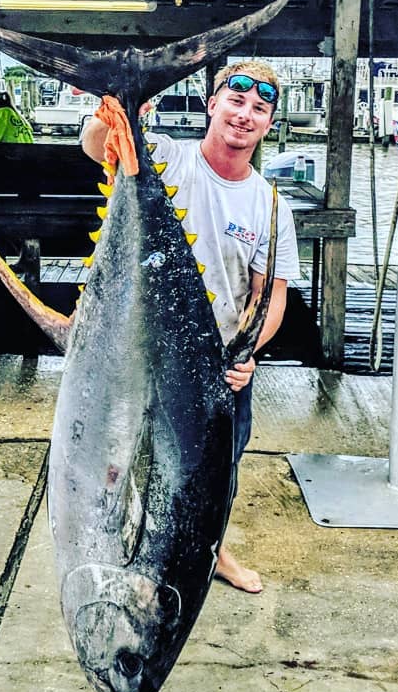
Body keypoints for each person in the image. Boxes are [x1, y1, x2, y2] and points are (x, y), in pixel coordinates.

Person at [81, 60, 300, 594]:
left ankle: (211, 551)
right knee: (127, 454)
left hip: (217, 365)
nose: (245, 116)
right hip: (141, 348)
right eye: (236, 101)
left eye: (259, 109)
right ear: (212, 104)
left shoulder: (270, 206)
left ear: (269, 123)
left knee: (213, 467)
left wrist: (249, 354)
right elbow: (93, 145)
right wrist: (115, 109)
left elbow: (271, 297)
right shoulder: (165, 157)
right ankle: (124, 543)